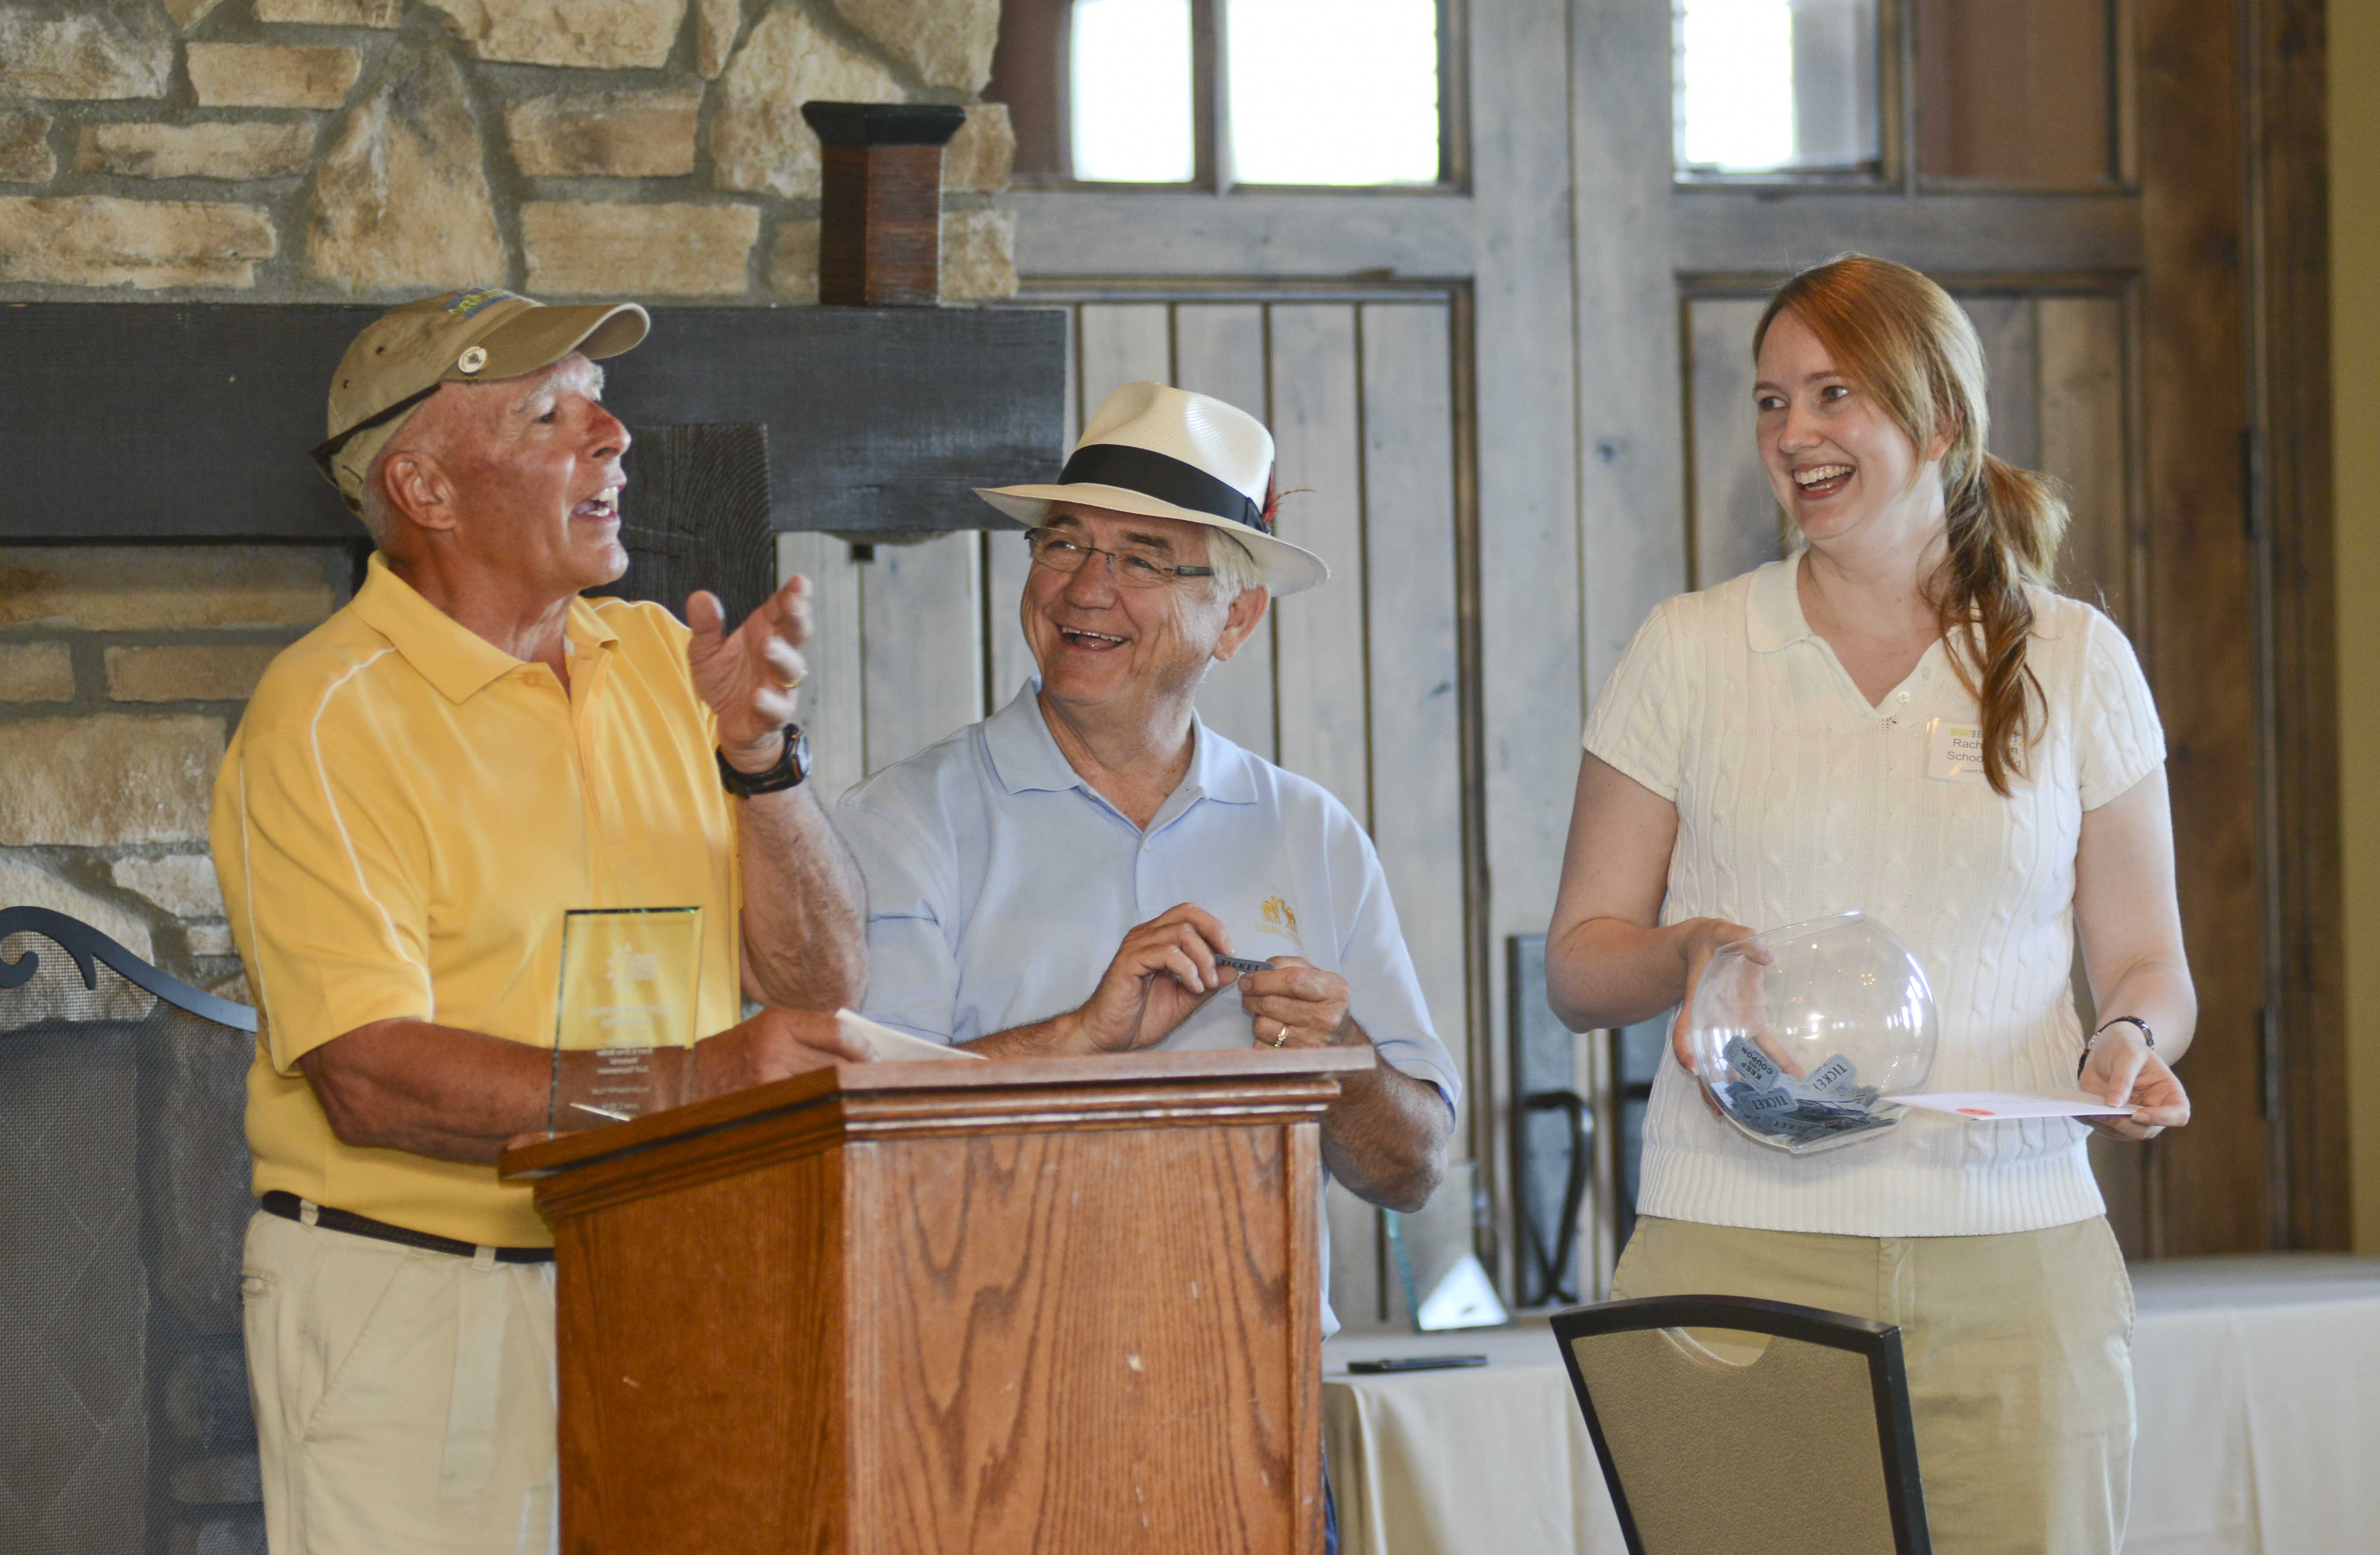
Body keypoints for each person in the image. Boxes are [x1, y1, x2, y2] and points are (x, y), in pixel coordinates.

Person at [1545, 255, 2193, 1554]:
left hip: (2010, 1258)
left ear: (1938, 418)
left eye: (1831, 394)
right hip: (1735, 1259)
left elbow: (2148, 967)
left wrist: (2124, 1047)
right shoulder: (1687, 649)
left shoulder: (2074, 659)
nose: (1793, 434)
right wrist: (1687, 952)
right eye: (1770, 402)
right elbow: (1579, 965)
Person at [210, 289, 874, 1555]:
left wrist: (760, 762)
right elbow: (371, 1079)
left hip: (678, 1278)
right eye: (547, 411)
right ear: (427, 488)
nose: (613, 433)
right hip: (421, 1308)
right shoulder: (324, 714)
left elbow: (816, 976)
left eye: (600, 402)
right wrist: (693, 1082)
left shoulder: (661, 660)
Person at [834, 381, 1460, 1549]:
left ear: (1235, 621)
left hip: (1253, 1410)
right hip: (982, 1409)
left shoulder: (1309, 832)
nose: (1084, 587)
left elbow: (1413, 1168)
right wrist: (1076, 1040)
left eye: (1141, 557)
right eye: (1063, 542)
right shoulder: (906, 820)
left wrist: (1338, 1063)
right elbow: (859, 1138)